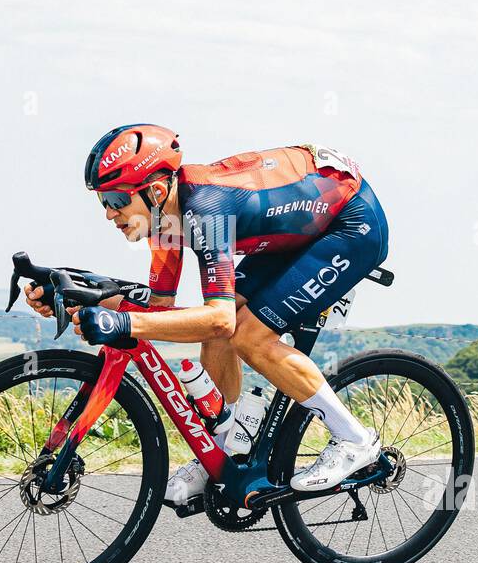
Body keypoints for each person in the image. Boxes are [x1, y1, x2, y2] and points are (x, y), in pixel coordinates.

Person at [24, 124, 390, 503]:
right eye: (103, 201)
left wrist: (123, 321)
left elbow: (218, 318)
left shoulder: (205, 209)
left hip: (350, 223)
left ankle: (354, 439)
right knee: (216, 335)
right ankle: (228, 446)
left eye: (117, 199)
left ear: (155, 189)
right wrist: (80, 293)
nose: (109, 213)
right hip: (296, 233)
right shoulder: (165, 218)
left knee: (246, 336)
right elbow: (158, 308)